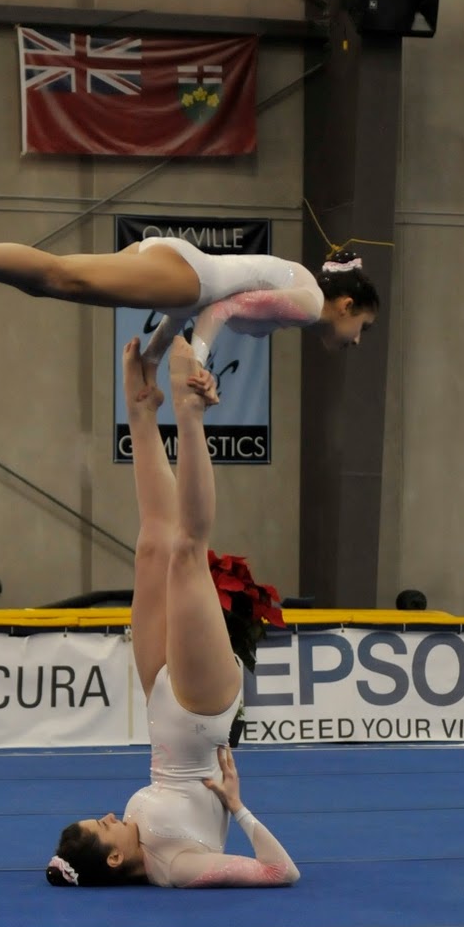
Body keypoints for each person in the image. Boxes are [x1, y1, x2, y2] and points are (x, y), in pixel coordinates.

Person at [46, 334, 300, 889]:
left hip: (163, 702)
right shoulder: (173, 866)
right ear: (115, 861)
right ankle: (190, 415)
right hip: (204, 707)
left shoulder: (135, 826)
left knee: (153, 546)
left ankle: (141, 408)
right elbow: (281, 872)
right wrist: (239, 808)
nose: (111, 815)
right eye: (103, 826)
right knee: (187, 554)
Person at [0, 232, 378, 365]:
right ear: (347, 306)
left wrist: (153, 359)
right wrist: (197, 364)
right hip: (191, 276)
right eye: (364, 331)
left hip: (183, 272)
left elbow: (198, 307)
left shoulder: (301, 291)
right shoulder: (309, 303)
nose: (357, 343)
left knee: (50, 282)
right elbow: (220, 308)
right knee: (55, 277)